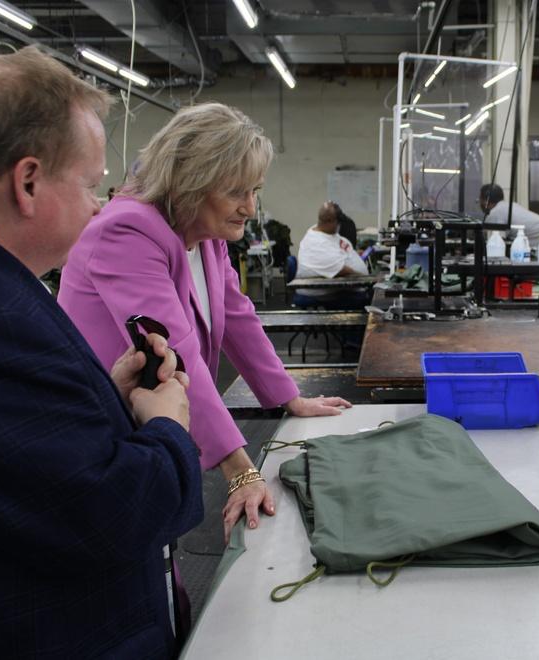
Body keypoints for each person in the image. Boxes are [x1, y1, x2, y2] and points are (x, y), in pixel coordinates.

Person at [0, 47, 202, 658]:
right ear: (27, 182)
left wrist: (103, 400)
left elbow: (12, 455)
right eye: (87, 184)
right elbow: (111, 515)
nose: (97, 204)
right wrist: (167, 424)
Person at [58, 103, 352, 543]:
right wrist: (239, 470)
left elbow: (236, 316)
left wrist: (289, 397)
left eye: (255, 191)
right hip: (103, 436)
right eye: (237, 192)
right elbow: (175, 356)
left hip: (152, 423)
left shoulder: (203, 231)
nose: (250, 208)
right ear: (192, 182)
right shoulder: (127, 232)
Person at [293, 200, 372, 309]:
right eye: (337, 222)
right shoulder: (315, 244)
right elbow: (344, 271)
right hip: (324, 293)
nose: (339, 225)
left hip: (340, 288)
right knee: (367, 299)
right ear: (329, 221)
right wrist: (362, 275)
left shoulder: (326, 232)